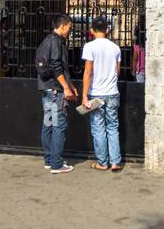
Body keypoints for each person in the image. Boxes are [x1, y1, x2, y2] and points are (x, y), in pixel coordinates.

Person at [35, 13, 77, 174]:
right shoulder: (56, 42)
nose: (69, 31)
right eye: (69, 28)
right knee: (59, 125)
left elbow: (58, 68)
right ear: (63, 26)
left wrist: (70, 85)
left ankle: (49, 159)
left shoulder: (47, 41)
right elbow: (56, 67)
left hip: (47, 90)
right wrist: (66, 88)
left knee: (48, 124)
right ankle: (57, 164)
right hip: (55, 91)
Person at [82, 15, 123, 172]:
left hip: (96, 94)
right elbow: (117, 72)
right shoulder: (115, 48)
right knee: (113, 126)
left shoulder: (90, 47)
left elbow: (88, 72)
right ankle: (115, 162)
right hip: (112, 92)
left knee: (98, 127)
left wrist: (85, 95)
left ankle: (102, 162)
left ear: (91, 31)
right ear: (107, 30)